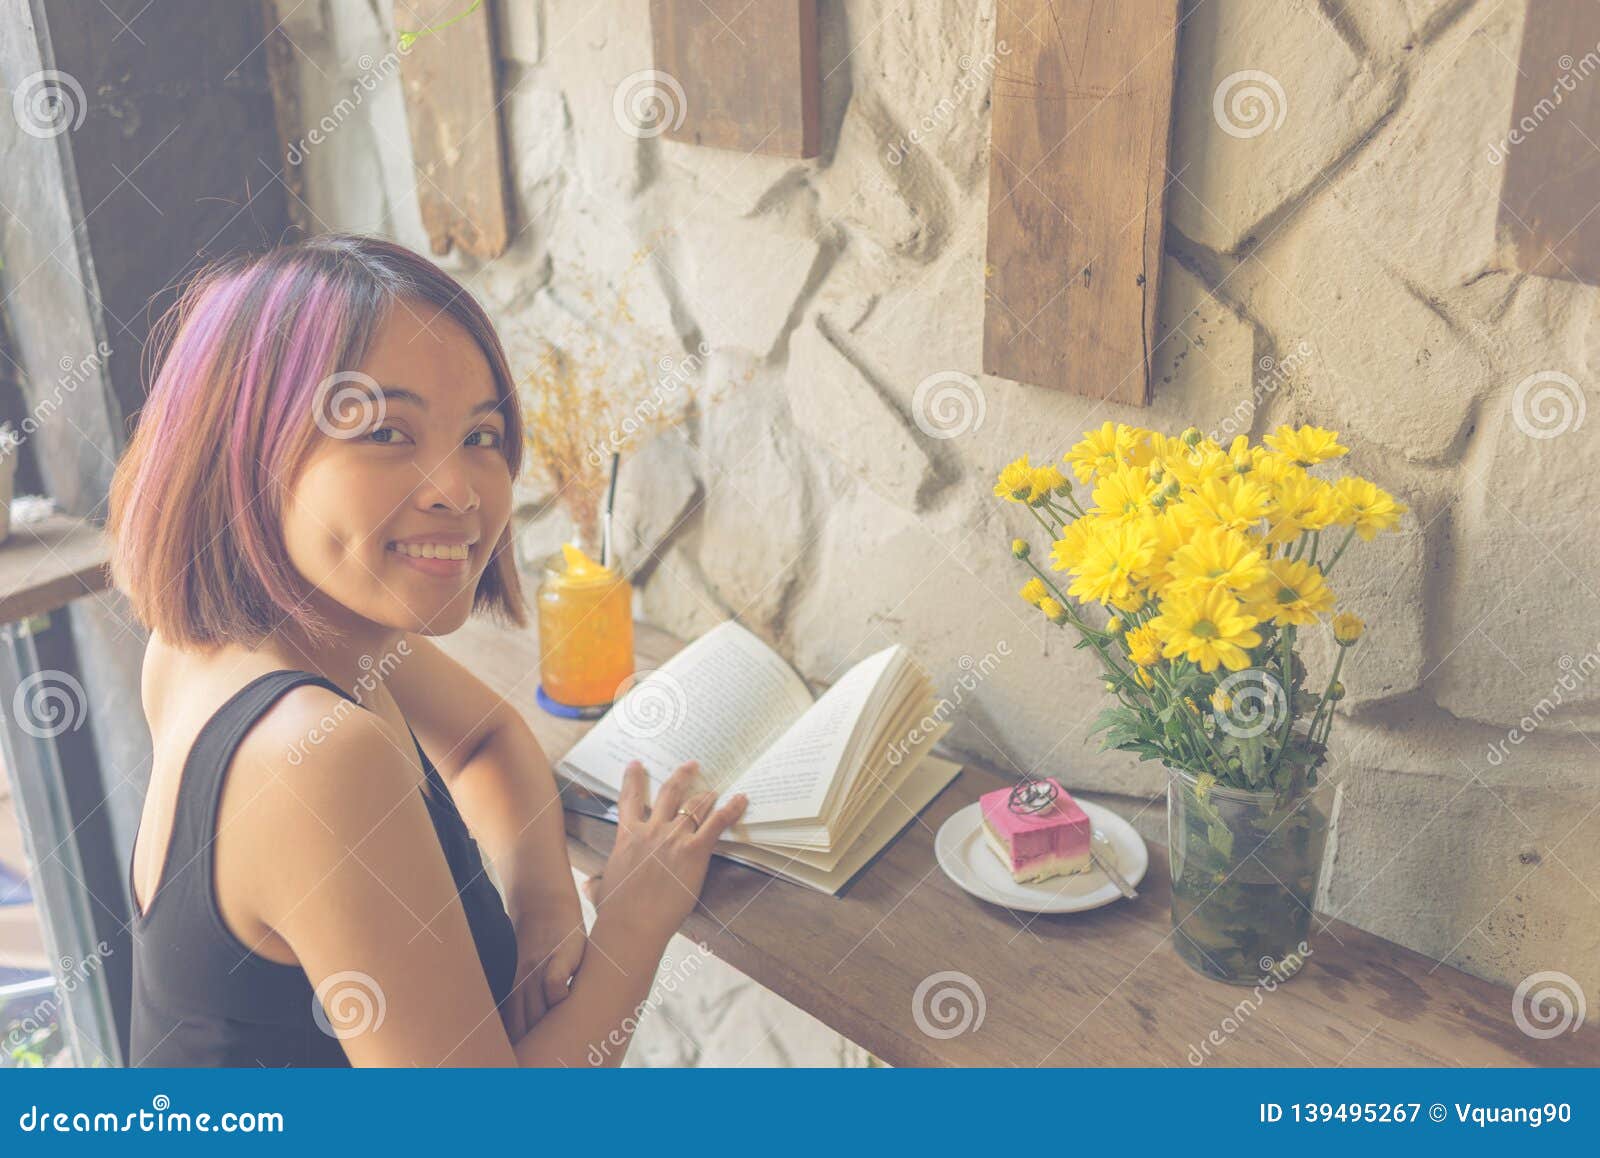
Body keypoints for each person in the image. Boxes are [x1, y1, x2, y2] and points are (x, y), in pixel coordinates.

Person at [107, 233, 745, 1066]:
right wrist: (632, 922)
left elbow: (489, 738)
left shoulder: (250, 641)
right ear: (247, 452)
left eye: (481, 436)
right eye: (384, 431)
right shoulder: (316, 757)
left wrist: (544, 899)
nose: (457, 489)